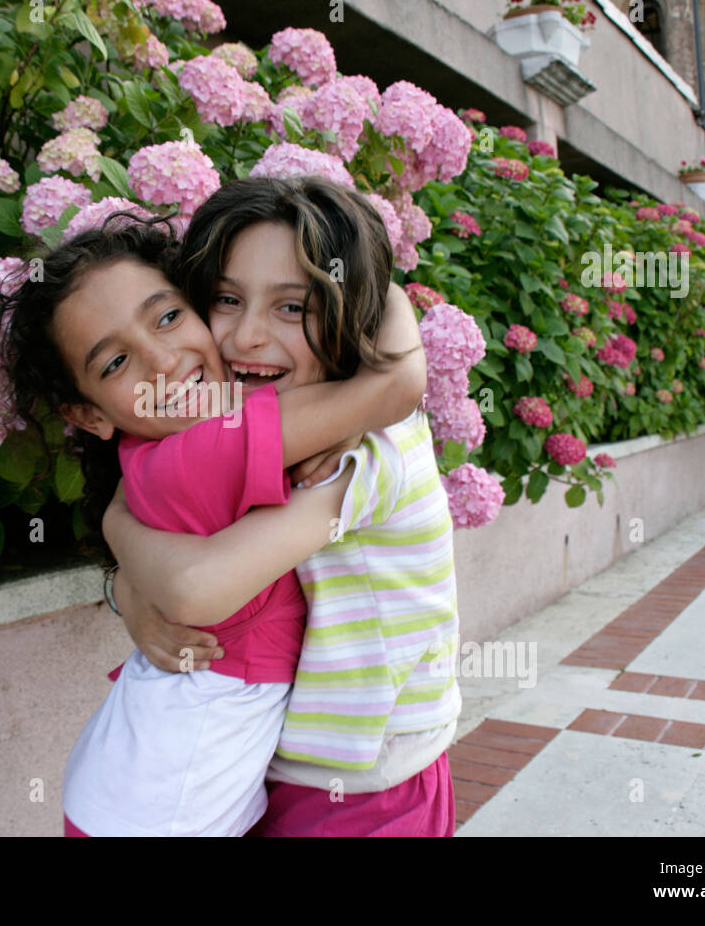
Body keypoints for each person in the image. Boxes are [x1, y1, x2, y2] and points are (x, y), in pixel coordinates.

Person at [0, 208, 425, 836]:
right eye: (116, 363)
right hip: (164, 801)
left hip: (141, 776)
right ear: (89, 415)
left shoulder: (163, 439)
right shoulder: (214, 436)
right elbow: (396, 386)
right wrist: (381, 289)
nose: (164, 362)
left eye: (168, 317)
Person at [103, 176, 459, 836]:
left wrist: (117, 530)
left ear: (354, 311)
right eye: (226, 299)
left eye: (293, 308)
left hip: (366, 790)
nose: (247, 338)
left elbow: (195, 587)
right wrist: (130, 586)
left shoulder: (371, 450)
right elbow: (159, 494)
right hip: (270, 764)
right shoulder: (252, 418)